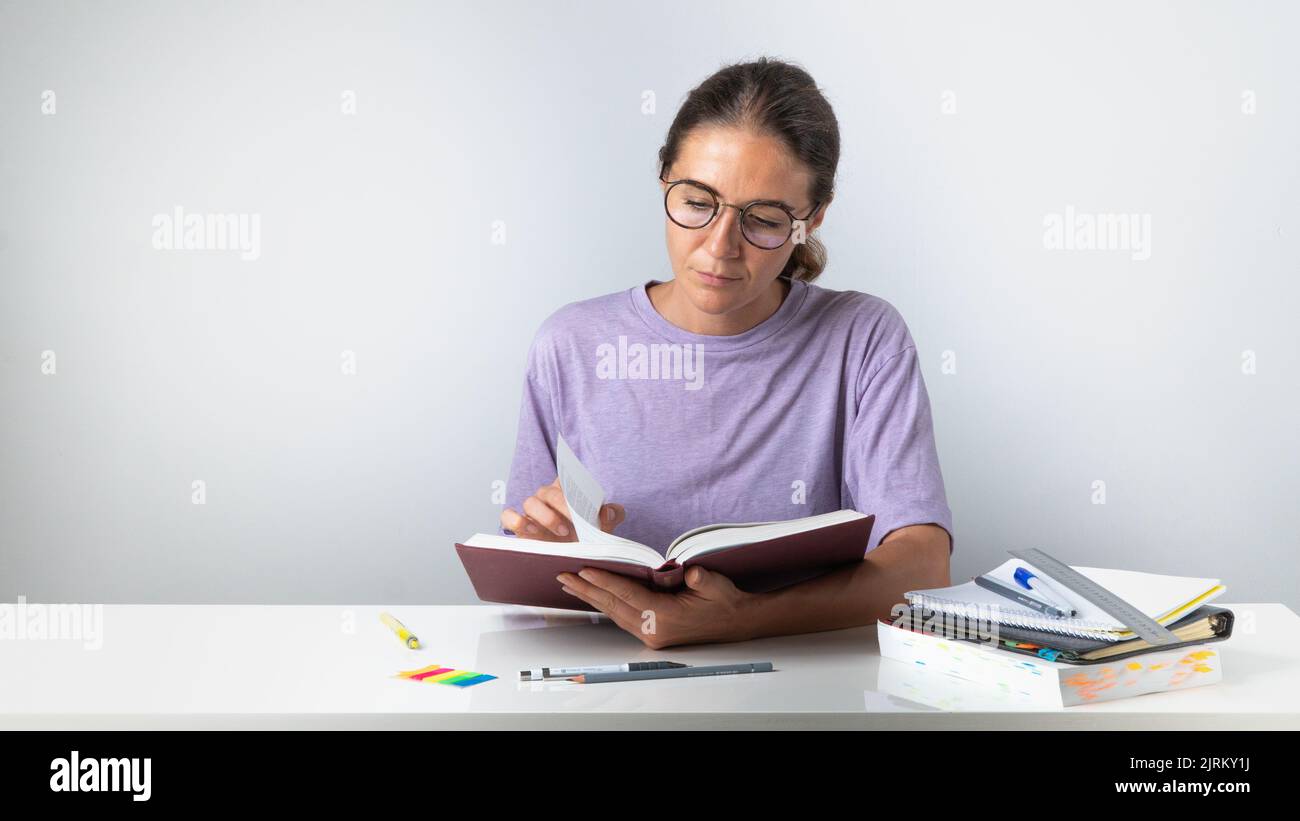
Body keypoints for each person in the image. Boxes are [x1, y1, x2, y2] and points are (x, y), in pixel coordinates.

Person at [499, 57, 953, 648]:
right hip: (610, 678)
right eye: (695, 203)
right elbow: (518, 570)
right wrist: (554, 547)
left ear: (811, 220)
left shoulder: (863, 337)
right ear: (665, 179)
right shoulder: (571, 344)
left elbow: (922, 571)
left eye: (763, 220)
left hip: (805, 684)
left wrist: (738, 619)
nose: (719, 248)